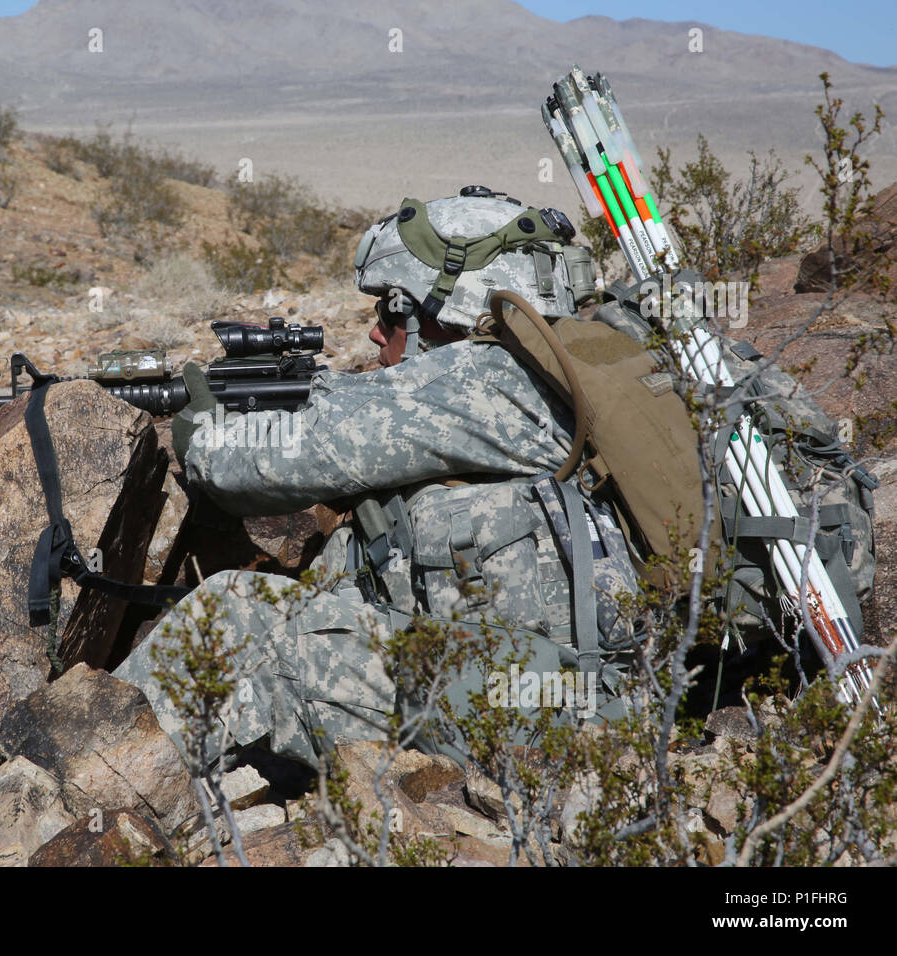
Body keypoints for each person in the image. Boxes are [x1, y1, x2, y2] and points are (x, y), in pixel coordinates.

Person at [113, 187, 642, 772]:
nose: (376, 332)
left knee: (229, 616)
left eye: (393, 311)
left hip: (554, 716)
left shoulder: (482, 380)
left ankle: (76, 783)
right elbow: (372, 409)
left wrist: (204, 435)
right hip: (575, 691)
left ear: (449, 306)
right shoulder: (582, 366)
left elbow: (269, 463)